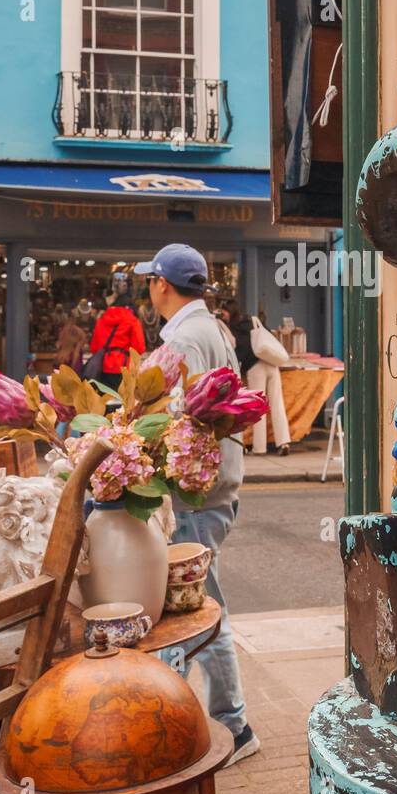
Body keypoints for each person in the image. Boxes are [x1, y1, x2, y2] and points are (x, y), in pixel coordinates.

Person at [133, 244, 259, 764]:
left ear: (162, 283)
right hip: (212, 487)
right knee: (198, 605)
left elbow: (178, 417)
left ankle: (223, 725)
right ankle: (204, 719)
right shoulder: (209, 329)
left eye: (150, 280)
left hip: (196, 492)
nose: (148, 288)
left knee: (196, 611)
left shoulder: (185, 336)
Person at [224, 299, 291, 457]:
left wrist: (240, 368)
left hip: (256, 368)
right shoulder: (254, 320)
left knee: (257, 407)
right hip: (271, 363)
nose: (224, 315)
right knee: (277, 404)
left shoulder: (235, 328)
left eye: (225, 311)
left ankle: (259, 447)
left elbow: (241, 351)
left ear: (230, 312)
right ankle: (284, 442)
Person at [89, 291, 145, 390]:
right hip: (125, 369)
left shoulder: (101, 320)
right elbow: (139, 348)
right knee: (124, 402)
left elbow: (94, 348)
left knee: (106, 400)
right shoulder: (133, 321)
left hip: (104, 368)